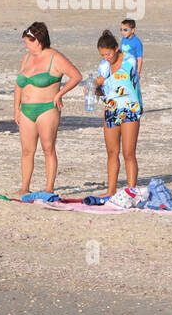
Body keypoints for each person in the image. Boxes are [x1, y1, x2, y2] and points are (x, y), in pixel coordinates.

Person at [13, 21, 83, 195]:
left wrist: (60, 94)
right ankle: (24, 187)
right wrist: (16, 108)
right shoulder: (27, 58)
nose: (25, 45)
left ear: (37, 41)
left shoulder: (55, 57)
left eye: (27, 42)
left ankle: (49, 188)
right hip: (26, 111)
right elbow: (19, 85)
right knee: (27, 151)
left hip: (47, 109)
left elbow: (76, 76)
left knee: (48, 148)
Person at [94, 29, 141, 196]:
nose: (106, 58)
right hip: (111, 109)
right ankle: (110, 190)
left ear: (115, 48)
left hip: (129, 107)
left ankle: (131, 190)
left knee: (129, 152)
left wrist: (104, 81)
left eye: (108, 54)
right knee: (112, 152)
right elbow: (101, 93)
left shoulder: (129, 59)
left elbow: (125, 79)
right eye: (102, 55)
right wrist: (97, 85)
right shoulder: (103, 66)